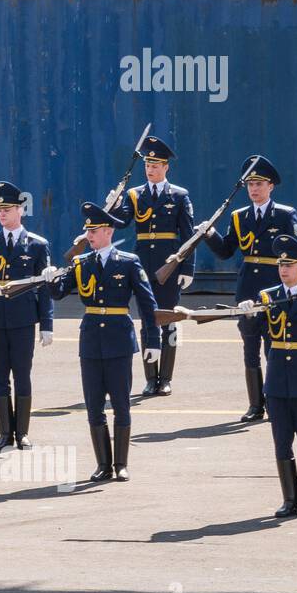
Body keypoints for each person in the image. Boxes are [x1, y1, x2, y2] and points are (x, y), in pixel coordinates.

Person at [44, 203, 160, 484]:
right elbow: (60, 293)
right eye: (87, 230)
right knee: (94, 405)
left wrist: (153, 339)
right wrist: (50, 279)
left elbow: (147, 303)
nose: (89, 235)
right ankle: (102, 464)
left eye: (93, 230)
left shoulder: (128, 261)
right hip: (92, 340)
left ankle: (120, 463)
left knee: (121, 404)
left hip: (119, 339)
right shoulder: (82, 263)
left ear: (108, 231)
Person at [240, 235, 297, 520]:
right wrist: (247, 315)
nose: (284, 269)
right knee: (281, 442)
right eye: (281, 264)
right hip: (278, 381)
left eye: (290, 264)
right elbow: (253, 335)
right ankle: (288, 498)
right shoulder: (267, 297)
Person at [203, 155, 297, 422]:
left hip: (274, 286)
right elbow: (225, 251)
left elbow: (295, 253)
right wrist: (209, 235)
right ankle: (255, 405)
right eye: (250, 184)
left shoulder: (284, 214)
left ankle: (276, 401)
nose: (254, 189)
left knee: (275, 345)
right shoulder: (238, 216)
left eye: (259, 184)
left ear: (271, 186)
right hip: (247, 288)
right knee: (250, 345)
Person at [0, 181, 53, 450]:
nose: (2, 214)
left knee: (22, 375)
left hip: (22, 320)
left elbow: (43, 288)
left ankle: (23, 432)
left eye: (7, 209)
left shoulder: (38, 245)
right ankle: (6, 433)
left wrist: (47, 324)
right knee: (0, 377)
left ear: (20, 210)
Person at [112, 136, 195, 398]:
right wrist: (114, 203)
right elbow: (122, 222)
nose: (151, 169)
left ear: (166, 167)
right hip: (143, 265)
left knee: (168, 320)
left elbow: (188, 235)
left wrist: (187, 268)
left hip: (169, 263)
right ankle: (150, 377)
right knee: (148, 319)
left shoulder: (179, 196)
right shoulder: (135, 195)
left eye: (156, 165)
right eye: (148, 164)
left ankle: (166, 378)